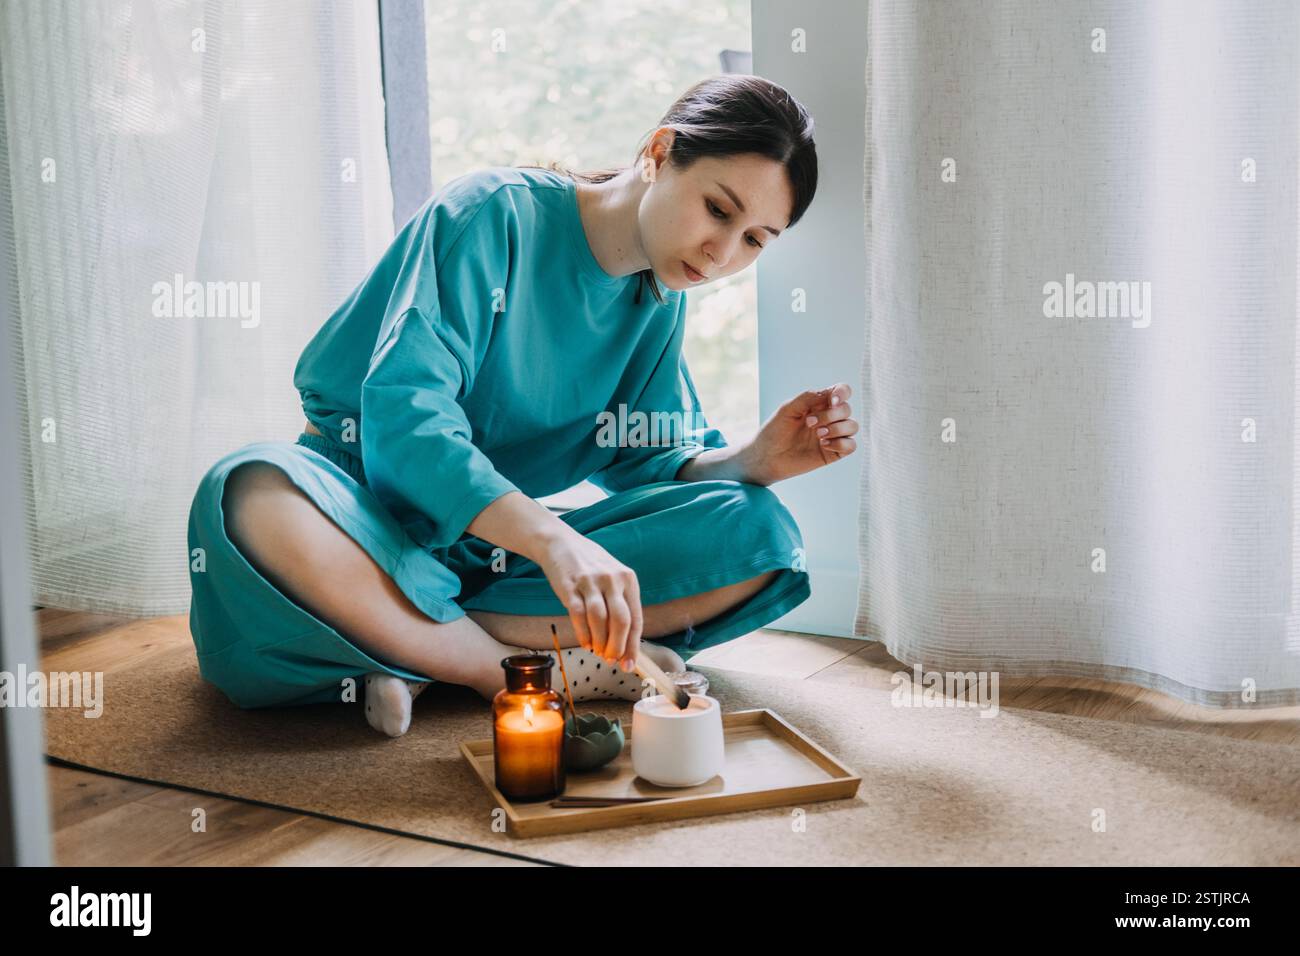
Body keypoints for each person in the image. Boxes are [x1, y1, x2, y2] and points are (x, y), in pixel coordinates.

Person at [186, 74, 857, 737]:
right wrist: (554, 541)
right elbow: (406, 421)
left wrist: (755, 459)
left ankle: (405, 650)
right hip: (352, 521)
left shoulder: (658, 300)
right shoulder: (493, 213)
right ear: (658, 152)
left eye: (754, 240)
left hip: (487, 560)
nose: (722, 252)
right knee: (249, 492)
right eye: (719, 210)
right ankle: (504, 668)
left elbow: (648, 463)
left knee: (760, 532)